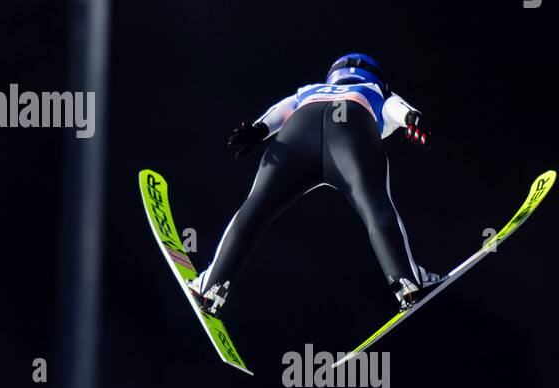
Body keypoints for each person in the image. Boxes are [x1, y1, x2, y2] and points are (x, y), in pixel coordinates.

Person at [188, 53, 442, 317]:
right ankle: (408, 283)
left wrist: (258, 129)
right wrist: (413, 120)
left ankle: (210, 289)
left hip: (299, 130)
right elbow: (395, 109)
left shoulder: (311, 89)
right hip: (352, 127)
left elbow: (284, 108)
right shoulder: (374, 90)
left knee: (256, 208)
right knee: (375, 208)